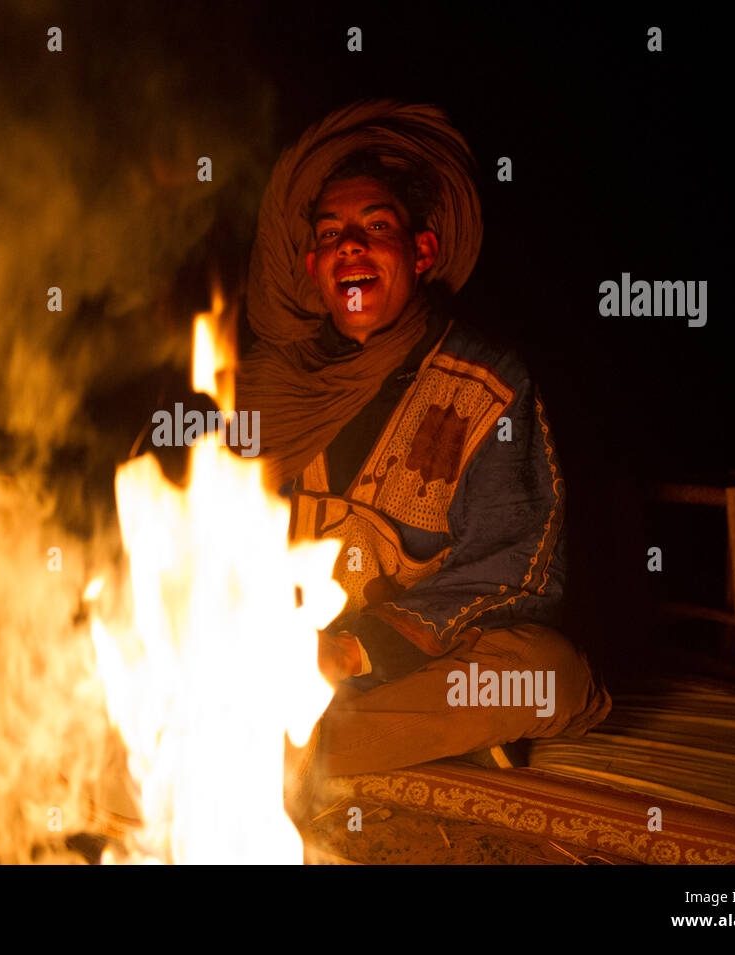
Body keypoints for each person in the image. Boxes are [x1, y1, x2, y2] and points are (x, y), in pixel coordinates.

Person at [237, 101, 612, 777]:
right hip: (273, 669)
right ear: (313, 262)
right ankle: (290, 746)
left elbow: (518, 572)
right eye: (331, 233)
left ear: (422, 250)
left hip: (408, 664)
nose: (350, 245)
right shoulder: (268, 391)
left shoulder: (486, 381)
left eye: (375, 227)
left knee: (546, 673)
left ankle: (288, 761)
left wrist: (351, 649)